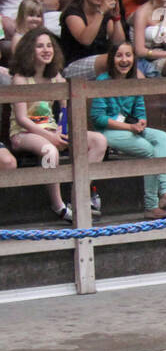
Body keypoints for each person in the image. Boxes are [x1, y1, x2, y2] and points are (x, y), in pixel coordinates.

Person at [8, 28, 108, 221]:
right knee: (50, 151)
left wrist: (62, 129)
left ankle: (79, 195)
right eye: (40, 46)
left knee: (99, 141)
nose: (46, 50)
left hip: (51, 130)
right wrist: (51, 137)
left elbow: (64, 109)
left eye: (49, 45)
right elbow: (22, 119)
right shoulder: (20, 79)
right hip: (23, 134)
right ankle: (58, 205)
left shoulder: (56, 77)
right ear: (29, 50)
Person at [92, 41, 166, 217]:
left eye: (128, 55)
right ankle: (151, 206)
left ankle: (165, 192)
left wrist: (141, 122)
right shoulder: (102, 81)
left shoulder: (134, 80)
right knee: (149, 151)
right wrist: (129, 126)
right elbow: (99, 118)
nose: (124, 60)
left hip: (130, 127)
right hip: (107, 131)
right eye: (119, 55)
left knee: (163, 137)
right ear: (112, 59)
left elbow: (140, 111)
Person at [60, 0, 124, 77]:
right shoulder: (73, 13)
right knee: (113, 59)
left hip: (101, 61)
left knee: (130, 63)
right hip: (74, 65)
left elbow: (119, 42)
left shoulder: (104, 13)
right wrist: (101, 12)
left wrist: (116, 17)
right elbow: (86, 40)